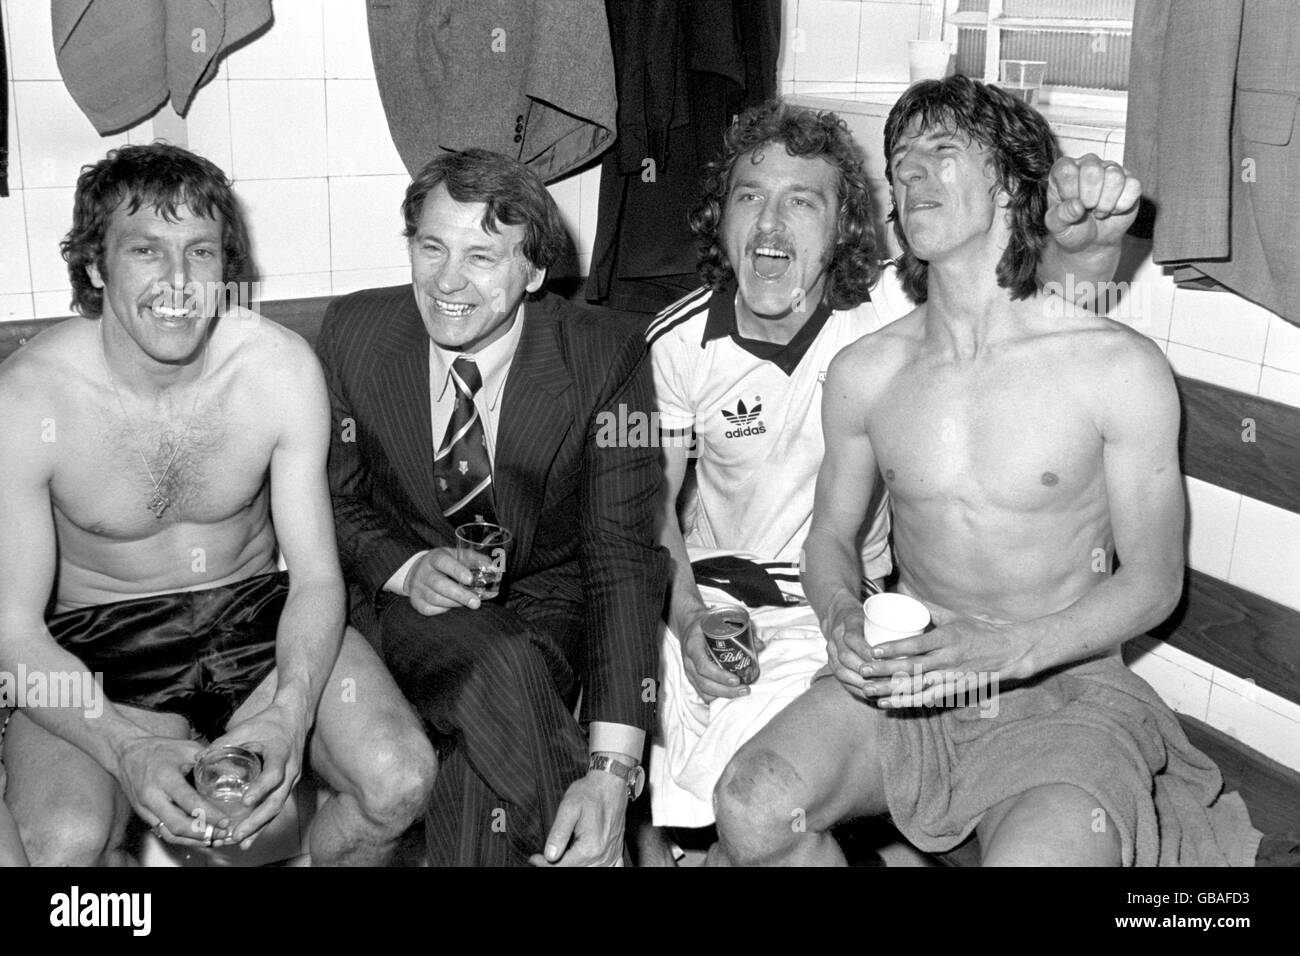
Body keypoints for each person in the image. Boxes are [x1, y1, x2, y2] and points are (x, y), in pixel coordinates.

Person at [709, 76, 1259, 866]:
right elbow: (829, 538)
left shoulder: (1114, 368)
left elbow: (1155, 581)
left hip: (1062, 688)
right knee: (753, 807)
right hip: (912, 681)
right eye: (901, 161)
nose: (911, 172)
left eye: (942, 152)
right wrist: (841, 621)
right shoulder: (867, 373)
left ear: (1008, 183)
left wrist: (1012, 650)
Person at [644, 97, 1148, 845]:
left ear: (844, 226)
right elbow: (650, 509)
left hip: (931, 636)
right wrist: (690, 619)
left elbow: (1029, 311)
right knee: (724, 783)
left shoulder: (887, 301)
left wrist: (1086, 244)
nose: (770, 224)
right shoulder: (688, 342)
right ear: (720, 218)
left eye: (802, 201)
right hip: (748, 597)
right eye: (749, 197)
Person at [0, 143, 435, 866]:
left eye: (199, 252)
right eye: (146, 250)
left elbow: (316, 578)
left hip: (257, 619)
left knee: (399, 780)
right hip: (96, 647)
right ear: (97, 266)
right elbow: (13, 630)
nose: (179, 281)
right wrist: (123, 745)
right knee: (61, 845)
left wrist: (291, 712)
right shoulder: (28, 399)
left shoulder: (277, 367)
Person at [315, 148, 668, 867]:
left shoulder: (607, 355)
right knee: (505, 664)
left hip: (543, 607)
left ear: (533, 271)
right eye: (431, 248)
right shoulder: (356, 332)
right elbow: (332, 503)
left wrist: (612, 770)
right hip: (399, 612)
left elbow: (622, 560)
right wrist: (407, 566)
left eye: (481, 256)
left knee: (479, 787)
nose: (447, 281)